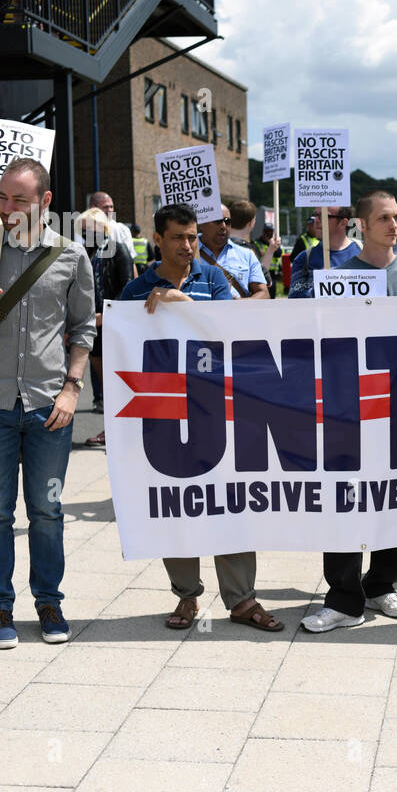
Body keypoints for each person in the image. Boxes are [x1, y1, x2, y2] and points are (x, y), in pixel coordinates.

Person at [0, 158, 96, 649]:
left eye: (19, 200)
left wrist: (73, 388)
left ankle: (49, 603)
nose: (7, 209)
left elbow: (84, 330)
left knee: (48, 512)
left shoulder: (71, 255)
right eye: (2, 199)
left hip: (49, 404)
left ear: (45, 202)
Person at [119, 203, 284, 634]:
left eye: (193, 236)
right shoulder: (135, 290)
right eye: (178, 237)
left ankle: (242, 599)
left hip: (216, 409)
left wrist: (181, 301)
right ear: (158, 240)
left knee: (229, 501)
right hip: (165, 414)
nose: (189, 245)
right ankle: (187, 596)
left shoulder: (212, 279)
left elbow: (224, 332)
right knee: (174, 507)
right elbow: (122, 348)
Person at [301, 190, 397, 634]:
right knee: (344, 499)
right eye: (383, 217)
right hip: (349, 407)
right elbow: (311, 336)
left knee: (396, 495)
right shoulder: (337, 278)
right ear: (361, 224)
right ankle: (344, 598)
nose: (393, 224)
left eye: (396, 217)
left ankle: (382, 584)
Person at [79, 206, 134, 445]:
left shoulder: (117, 249)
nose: (85, 233)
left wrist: (106, 315)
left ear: (102, 228)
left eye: (89, 228)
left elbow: (127, 288)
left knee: (117, 382)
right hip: (93, 327)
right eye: (82, 229)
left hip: (111, 325)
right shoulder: (85, 252)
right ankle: (111, 428)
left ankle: (120, 430)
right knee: (105, 385)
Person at [197, 203, 269, 300]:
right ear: (202, 224)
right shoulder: (187, 252)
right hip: (196, 314)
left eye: (227, 221)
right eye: (217, 221)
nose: (223, 226)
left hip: (237, 314)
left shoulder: (247, 255)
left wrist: (243, 303)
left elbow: (263, 293)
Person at [286, 205, 360, 298]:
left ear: (343, 223)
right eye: (315, 215)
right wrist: (320, 285)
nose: (316, 220)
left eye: (323, 216)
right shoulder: (304, 259)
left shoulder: (365, 253)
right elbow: (296, 304)